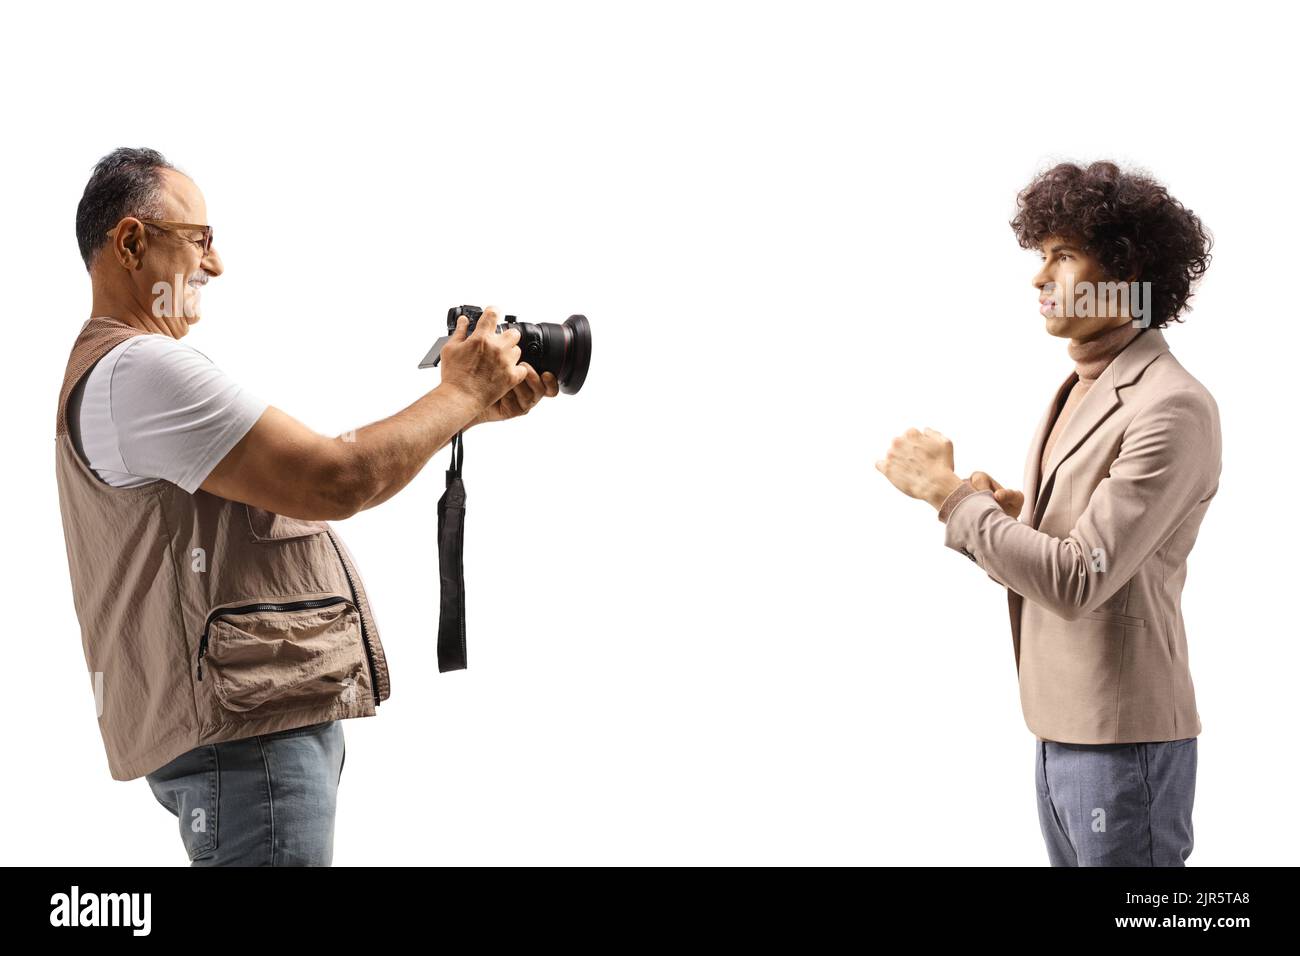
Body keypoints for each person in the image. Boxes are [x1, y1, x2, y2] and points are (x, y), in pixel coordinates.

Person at [56, 147, 559, 865]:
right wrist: (459, 395)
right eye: (199, 239)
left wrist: (461, 411)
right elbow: (338, 478)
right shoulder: (139, 368)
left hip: (244, 735)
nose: (216, 264)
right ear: (132, 242)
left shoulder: (114, 375)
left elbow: (342, 473)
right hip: (250, 744)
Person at [876, 161, 1219, 866]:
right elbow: (1071, 554)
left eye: (1063, 256)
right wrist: (1007, 518)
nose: (1039, 278)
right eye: (1042, 255)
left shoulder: (1172, 406)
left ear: (1127, 274)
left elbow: (1074, 579)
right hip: (1062, 726)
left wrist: (952, 498)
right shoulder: (1082, 386)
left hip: (1125, 744)